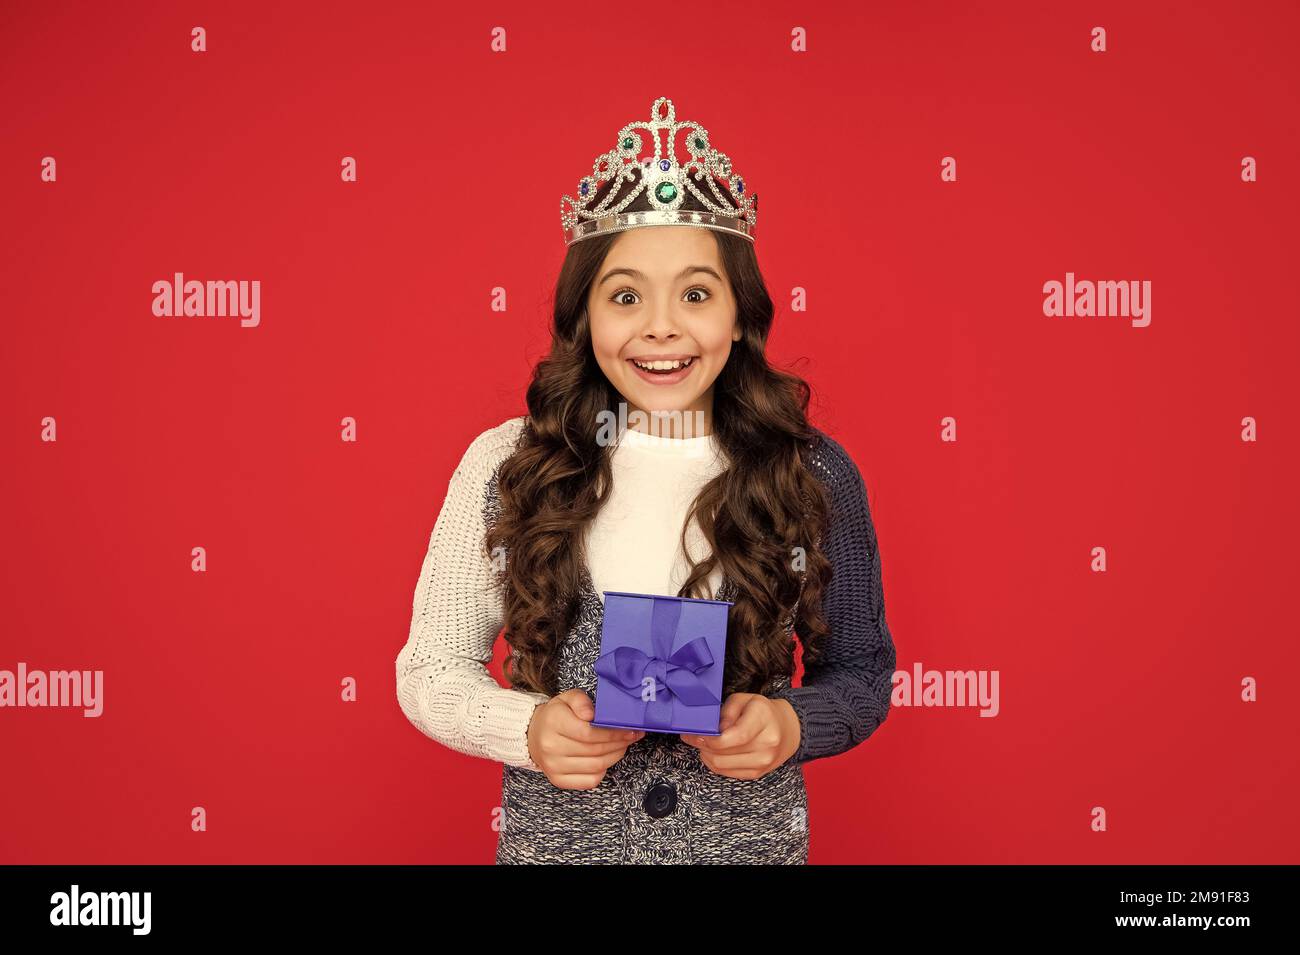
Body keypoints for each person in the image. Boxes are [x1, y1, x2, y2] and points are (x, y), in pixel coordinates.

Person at [395, 96, 896, 864]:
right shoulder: (508, 464)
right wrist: (524, 729)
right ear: (583, 315)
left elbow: (861, 674)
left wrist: (792, 725)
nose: (660, 325)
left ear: (740, 315)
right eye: (625, 296)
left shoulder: (813, 472)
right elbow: (429, 670)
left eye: (696, 293)